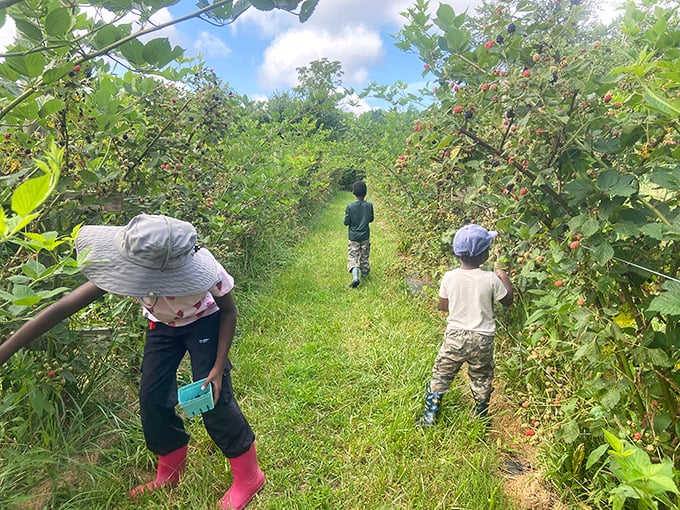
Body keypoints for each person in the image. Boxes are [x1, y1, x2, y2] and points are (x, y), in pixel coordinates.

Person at [0, 214, 264, 509]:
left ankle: (249, 476)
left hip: (206, 322)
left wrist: (217, 367)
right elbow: (63, 306)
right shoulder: (131, 264)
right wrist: (6, 350)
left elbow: (228, 312)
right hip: (162, 327)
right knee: (151, 398)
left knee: (213, 399)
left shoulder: (206, 269)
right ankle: (171, 471)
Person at [418, 223, 513, 426]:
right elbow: (507, 301)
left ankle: (430, 415)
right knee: (481, 375)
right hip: (483, 338)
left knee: (442, 371)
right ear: (483, 256)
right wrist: (504, 278)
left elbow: (443, 306)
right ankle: (480, 413)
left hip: (455, 335)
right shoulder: (490, 279)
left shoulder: (449, 277)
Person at [344, 180, 374, 288]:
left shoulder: (350, 206)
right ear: (365, 192)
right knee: (364, 256)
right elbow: (371, 219)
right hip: (365, 236)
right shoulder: (369, 206)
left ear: (353, 192)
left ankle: (355, 277)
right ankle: (365, 275)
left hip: (353, 237)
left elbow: (346, 222)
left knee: (353, 256)